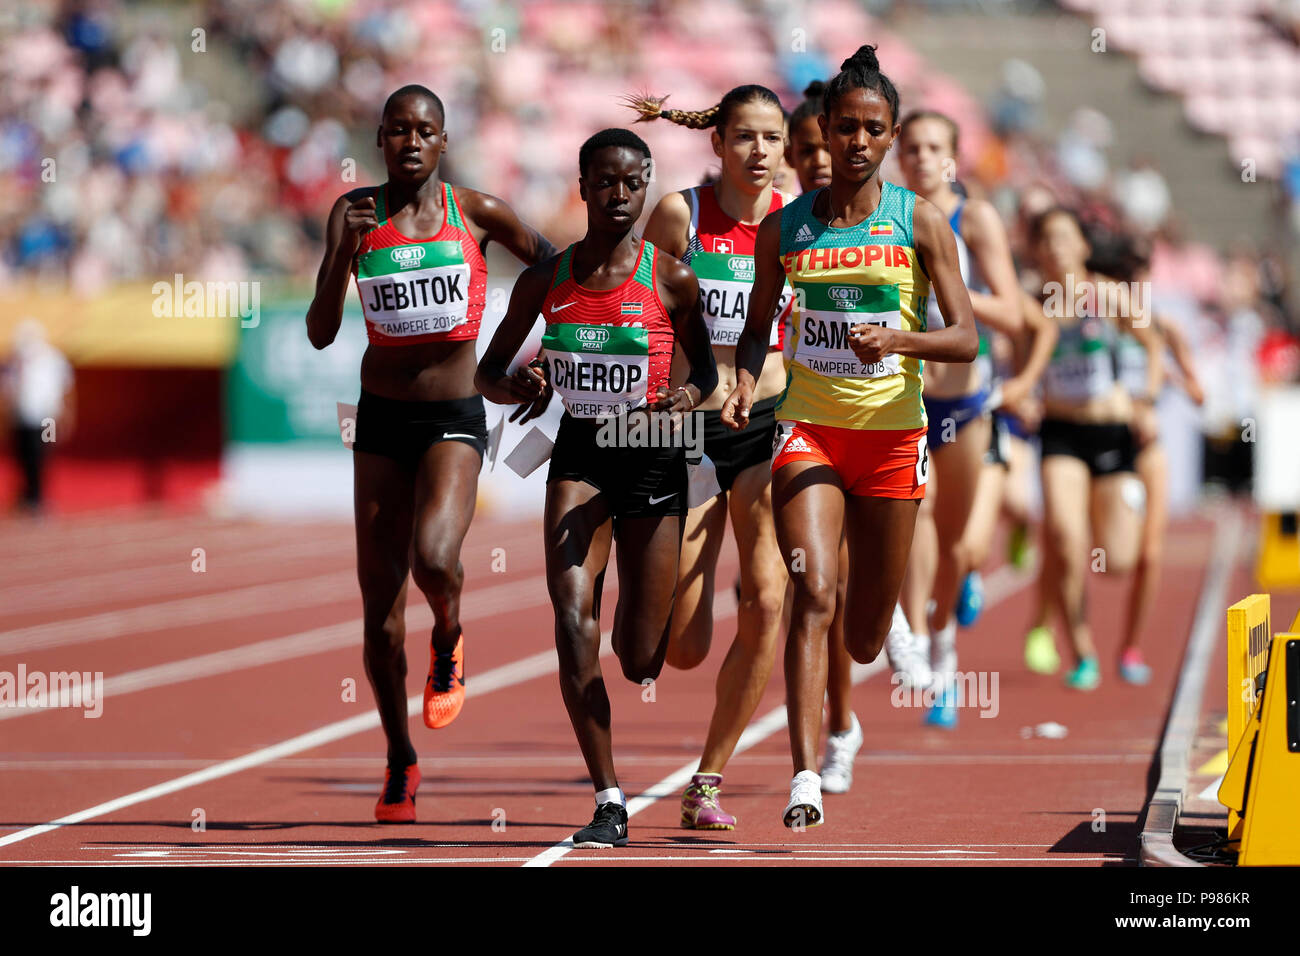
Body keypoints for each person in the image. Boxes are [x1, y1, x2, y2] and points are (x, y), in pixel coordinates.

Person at [721, 45, 978, 826]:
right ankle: (805, 777)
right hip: (811, 432)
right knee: (813, 590)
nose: (858, 141)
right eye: (846, 127)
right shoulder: (787, 228)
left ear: (890, 134)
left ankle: (888, 622)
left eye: (874, 128)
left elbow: (964, 337)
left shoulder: (919, 221)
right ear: (825, 133)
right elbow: (759, 317)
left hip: (894, 437)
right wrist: (740, 380)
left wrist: (899, 342)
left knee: (864, 638)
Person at [305, 85, 557, 823]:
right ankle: (398, 757)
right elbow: (321, 331)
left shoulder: (476, 213)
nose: (411, 142)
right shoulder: (354, 215)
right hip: (380, 420)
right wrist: (341, 256)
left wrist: (521, 355)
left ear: (443, 141)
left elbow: (556, 270)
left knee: (435, 559)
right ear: (379, 139)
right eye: (398, 131)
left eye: (426, 131)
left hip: (454, 414)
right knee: (379, 609)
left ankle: (449, 635)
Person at [476, 128, 717, 848]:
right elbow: (487, 375)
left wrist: (688, 401)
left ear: (646, 187)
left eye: (632, 182)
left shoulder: (671, 277)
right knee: (571, 617)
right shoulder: (545, 281)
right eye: (604, 182)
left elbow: (705, 375)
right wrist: (518, 381)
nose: (618, 194)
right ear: (583, 188)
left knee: (640, 656)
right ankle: (609, 798)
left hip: (650, 452)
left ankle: (642, 624)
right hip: (580, 452)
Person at [628, 83, 794, 830]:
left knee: (769, 598)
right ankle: (661, 595)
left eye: (772, 138)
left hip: (764, 420)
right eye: (745, 138)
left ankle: (707, 781)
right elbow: (643, 309)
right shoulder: (680, 214)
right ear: (719, 143)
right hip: (689, 426)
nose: (759, 153)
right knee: (686, 648)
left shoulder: (798, 222)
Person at [893, 111, 1024, 726]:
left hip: (966, 404)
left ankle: (943, 633)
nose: (920, 157)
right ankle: (921, 640)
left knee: (957, 545)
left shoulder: (975, 219)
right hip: (909, 400)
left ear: (953, 158)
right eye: (911, 147)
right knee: (915, 512)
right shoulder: (885, 217)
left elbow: (1017, 312)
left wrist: (953, 299)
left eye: (933, 148)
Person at [1019, 207, 1162, 689]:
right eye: (1047, 241)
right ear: (1038, 251)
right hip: (1061, 433)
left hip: (1113, 434)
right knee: (1064, 535)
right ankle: (1082, 651)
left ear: (1082, 245)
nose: (1056, 248)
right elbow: (1021, 364)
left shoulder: (1107, 294)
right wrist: (1024, 397)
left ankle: (1084, 631)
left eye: (1065, 238)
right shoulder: (1033, 303)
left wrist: (1146, 400)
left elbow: (1154, 346)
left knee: (1118, 559)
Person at [2, 319, 74, 513]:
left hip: (47, 417)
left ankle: (38, 496)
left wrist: (66, 415)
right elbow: (7, 391)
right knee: (24, 457)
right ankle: (28, 495)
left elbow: (65, 388)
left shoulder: (53, 358)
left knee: (42, 455)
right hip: (21, 418)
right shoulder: (14, 361)